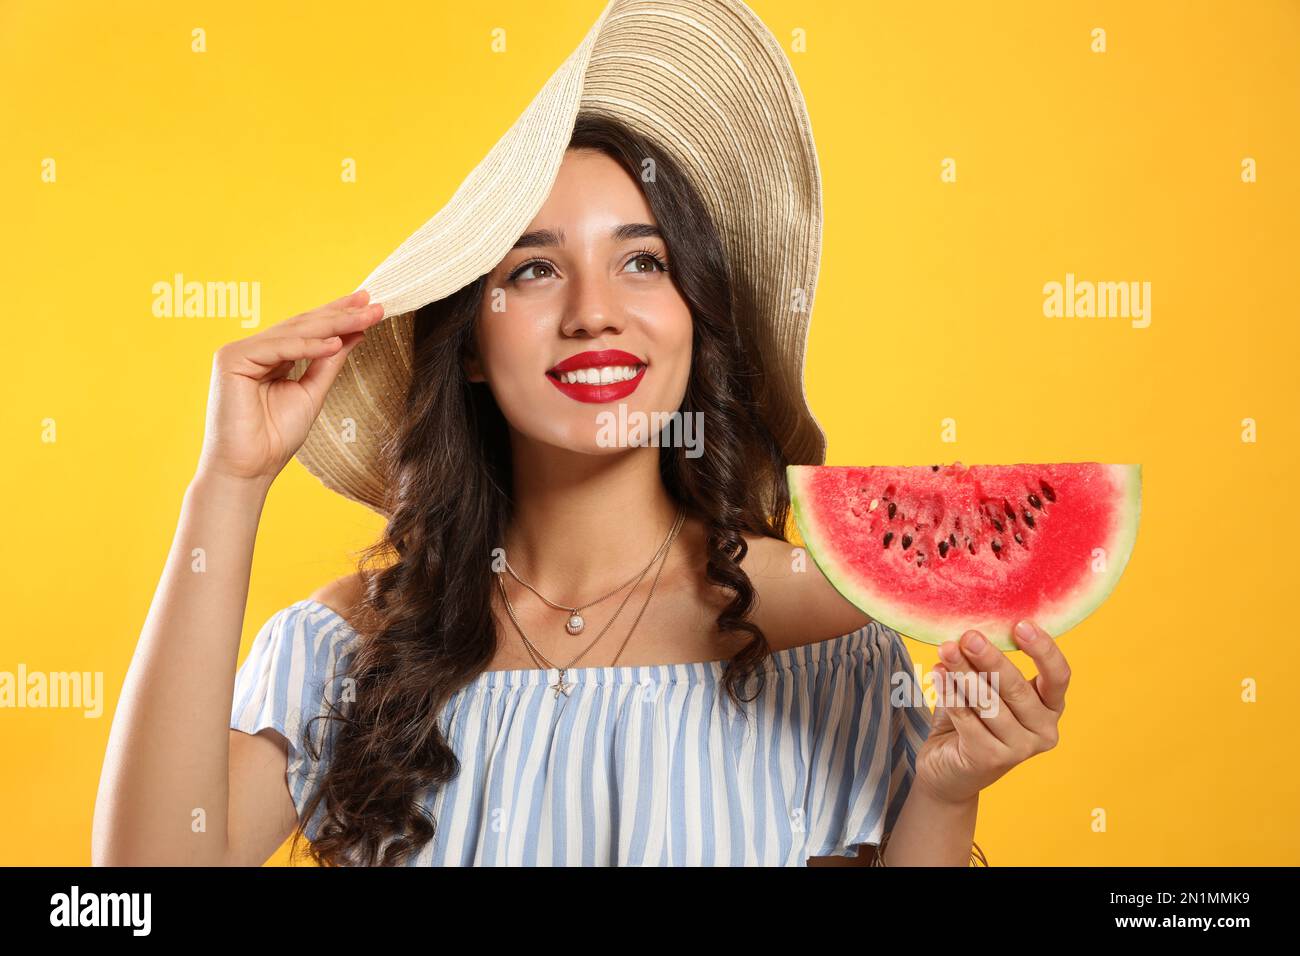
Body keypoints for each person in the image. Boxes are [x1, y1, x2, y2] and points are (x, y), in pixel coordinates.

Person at [92, 1, 1068, 869]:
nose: (595, 311)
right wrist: (229, 479)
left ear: (695, 315)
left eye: (642, 262)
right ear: (471, 341)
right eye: (532, 270)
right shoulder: (347, 645)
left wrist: (942, 791)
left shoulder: (827, 632)